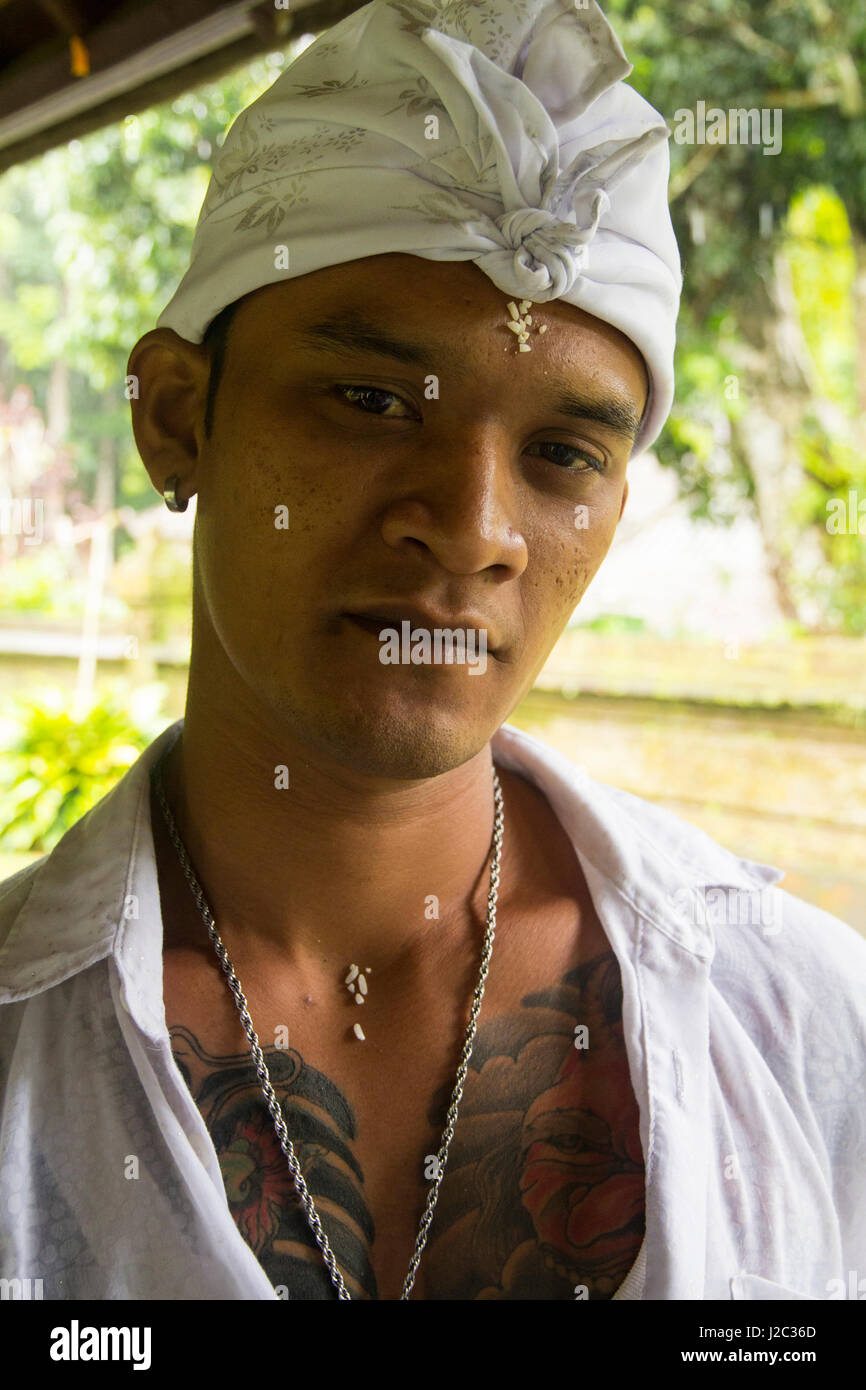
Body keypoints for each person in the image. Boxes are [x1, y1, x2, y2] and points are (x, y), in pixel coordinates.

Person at [0, 0, 863, 1302]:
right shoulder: (22, 1044)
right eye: (368, 400)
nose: (470, 532)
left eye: (561, 451)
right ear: (179, 417)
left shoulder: (803, 1026)